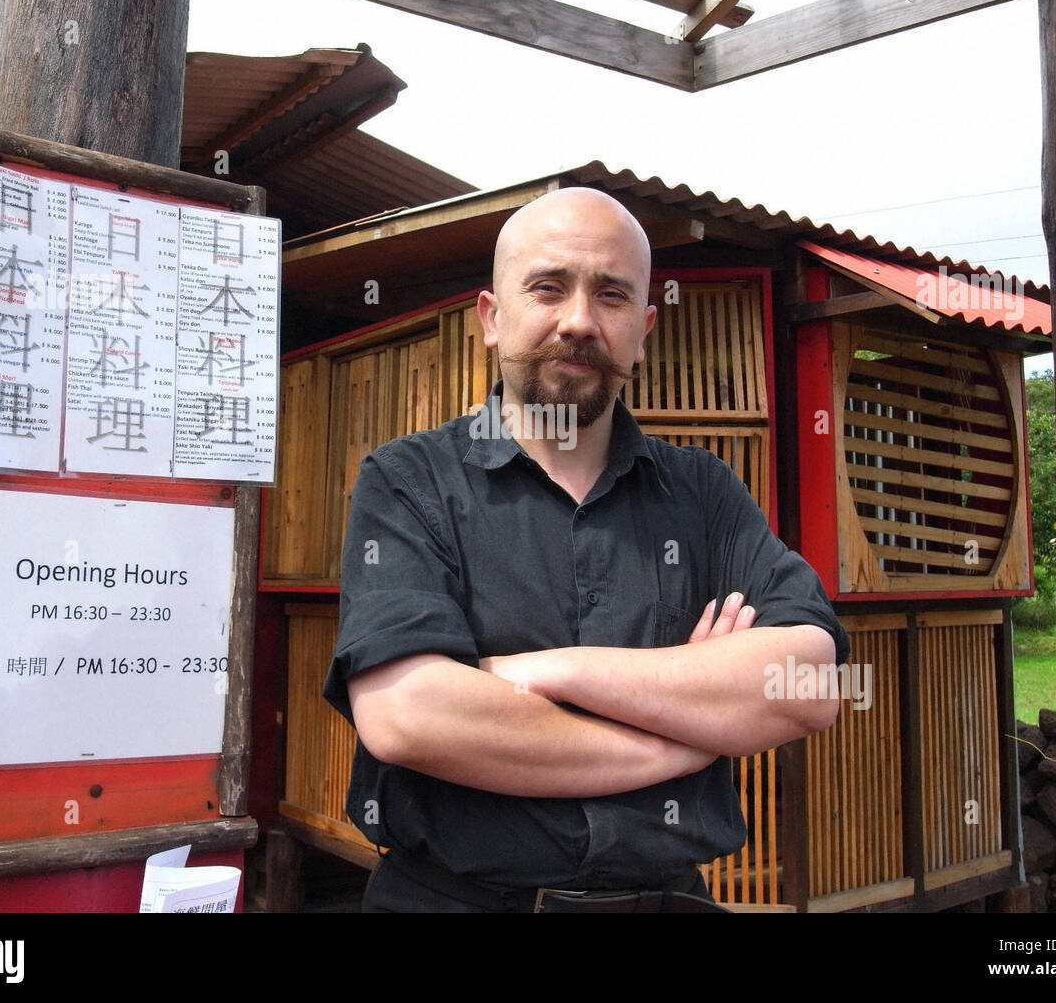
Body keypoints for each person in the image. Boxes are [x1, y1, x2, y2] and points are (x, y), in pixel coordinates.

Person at [323, 187, 850, 912]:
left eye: (611, 295)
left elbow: (807, 680)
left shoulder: (701, 492)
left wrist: (554, 673)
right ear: (491, 316)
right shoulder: (409, 481)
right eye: (548, 287)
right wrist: (683, 734)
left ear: (644, 330)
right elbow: (408, 715)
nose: (578, 320)